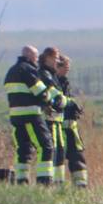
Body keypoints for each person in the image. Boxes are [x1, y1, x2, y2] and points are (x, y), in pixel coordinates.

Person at [3, 45, 55, 184]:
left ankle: (21, 181)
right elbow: (41, 92)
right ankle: (44, 181)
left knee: (23, 149)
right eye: (36, 57)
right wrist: (51, 100)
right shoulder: (28, 70)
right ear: (30, 56)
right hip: (31, 115)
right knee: (45, 146)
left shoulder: (10, 71)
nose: (37, 60)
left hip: (15, 117)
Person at [56, 55, 89, 187]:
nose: (67, 71)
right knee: (58, 158)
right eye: (65, 68)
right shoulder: (52, 81)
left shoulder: (64, 82)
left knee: (77, 157)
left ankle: (81, 186)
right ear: (57, 66)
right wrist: (71, 104)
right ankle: (58, 186)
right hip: (60, 128)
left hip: (71, 128)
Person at [38, 47, 69, 184]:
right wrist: (67, 102)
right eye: (56, 58)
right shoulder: (44, 74)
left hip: (56, 120)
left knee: (59, 151)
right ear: (49, 58)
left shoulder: (52, 74)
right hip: (48, 119)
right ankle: (49, 182)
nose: (57, 61)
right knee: (52, 150)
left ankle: (59, 183)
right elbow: (54, 96)